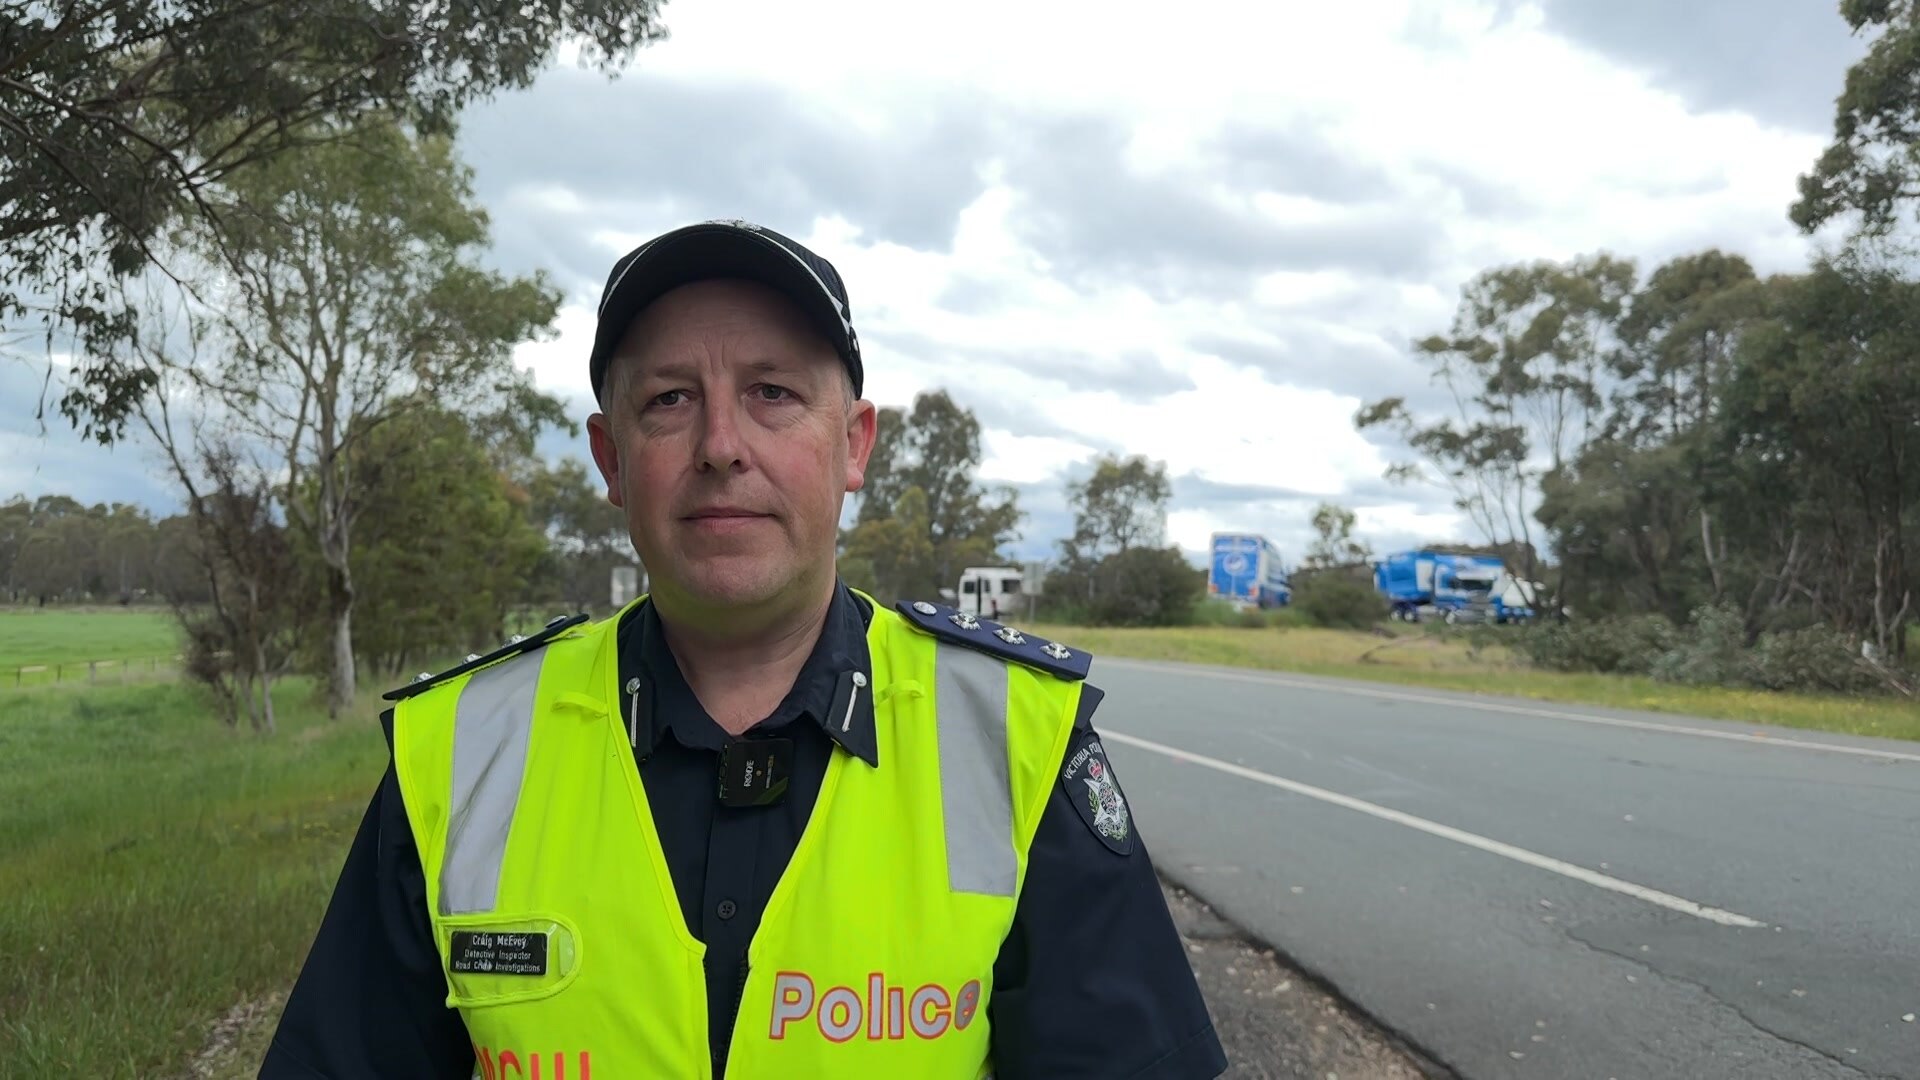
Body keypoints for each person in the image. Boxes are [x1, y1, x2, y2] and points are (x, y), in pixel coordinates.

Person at [259, 219, 1228, 1079]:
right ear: (609, 461)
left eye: (771, 392)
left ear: (854, 447)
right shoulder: (463, 749)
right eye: (670, 401)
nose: (721, 444)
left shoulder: (1016, 734)